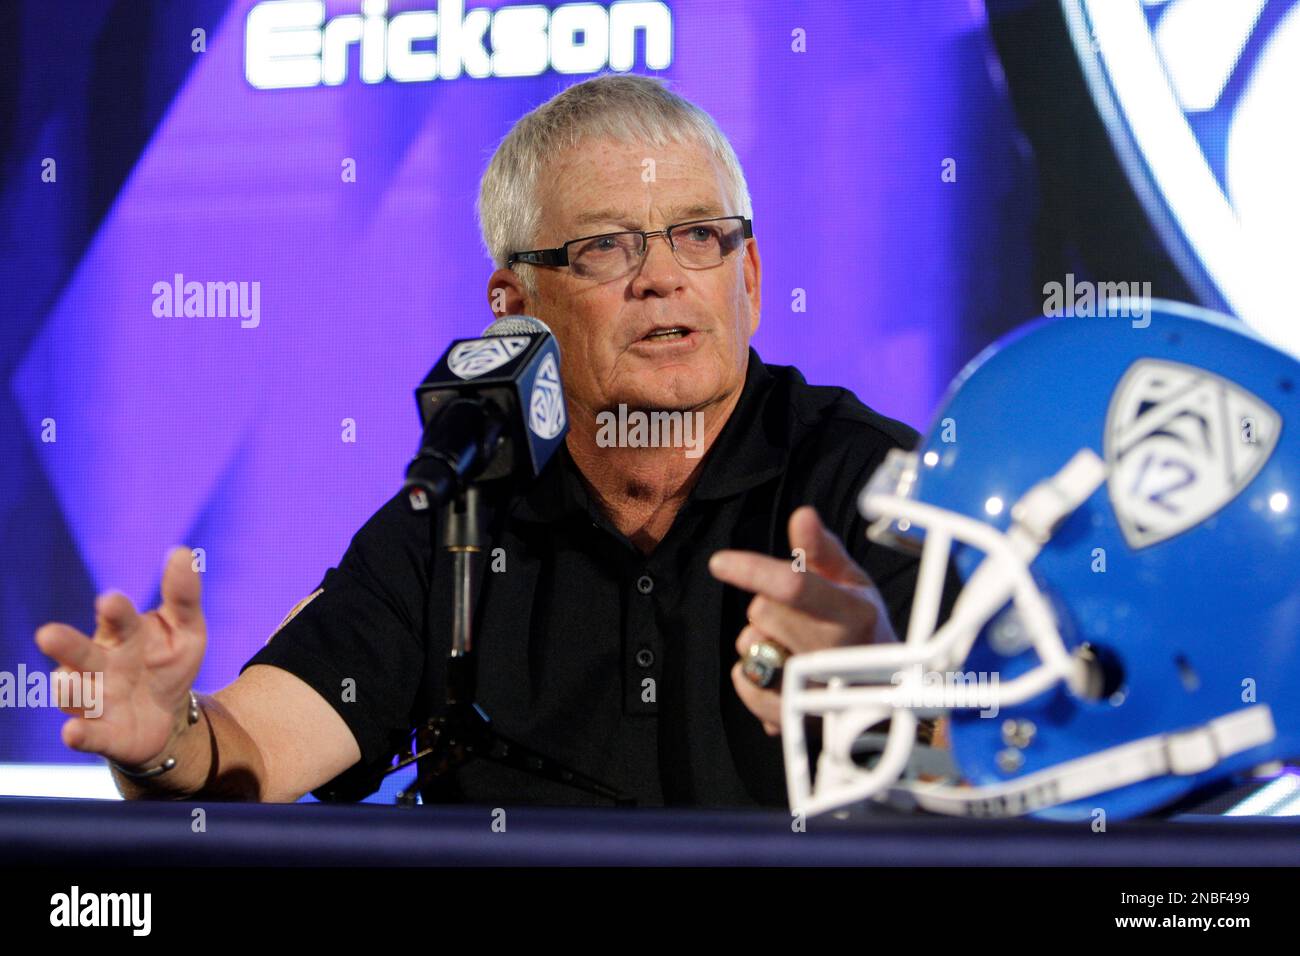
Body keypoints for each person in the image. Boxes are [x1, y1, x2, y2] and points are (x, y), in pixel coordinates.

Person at [35, 73, 959, 807]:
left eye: (699, 237)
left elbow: (1025, 757)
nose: (664, 280)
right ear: (512, 305)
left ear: (749, 277)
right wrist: (162, 736)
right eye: (607, 247)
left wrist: (890, 706)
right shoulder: (463, 499)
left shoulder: (873, 483)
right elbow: (251, 752)